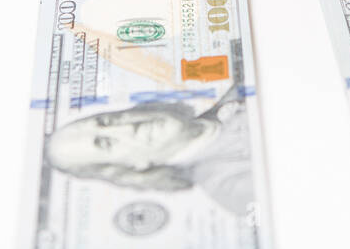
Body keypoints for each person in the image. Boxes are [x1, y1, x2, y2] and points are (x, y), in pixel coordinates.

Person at [44, 83, 254, 216]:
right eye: (107, 142)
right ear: (133, 168)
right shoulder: (230, 186)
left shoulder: (235, 87)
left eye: (105, 121)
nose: (125, 127)